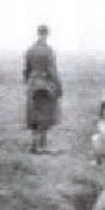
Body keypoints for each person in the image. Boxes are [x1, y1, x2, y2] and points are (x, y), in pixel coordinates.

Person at [23, 24, 61, 154]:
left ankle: (34, 144)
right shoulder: (49, 51)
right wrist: (58, 86)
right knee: (45, 114)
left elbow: (26, 71)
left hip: (32, 84)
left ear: (38, 33)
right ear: (46, 34)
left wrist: (28, 84)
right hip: (45, 85)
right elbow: (52, 71)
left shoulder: (30, 50)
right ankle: (42, 145)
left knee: (33, 114)